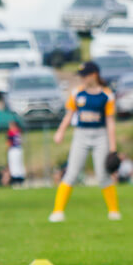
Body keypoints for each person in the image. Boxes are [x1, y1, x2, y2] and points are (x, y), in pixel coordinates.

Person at [48, 61, 121, 222]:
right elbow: (69, 115)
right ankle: (58, 211)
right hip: (81, 135)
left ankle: (114, 211)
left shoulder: (106, 95)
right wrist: (60, 132)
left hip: (100, 135)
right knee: (72, 172)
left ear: (94, 75)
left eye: (84, 75)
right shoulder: (77, 93)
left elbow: (110, 122)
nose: (81, 78)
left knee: (103, 174)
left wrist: (113, 147)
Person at [6, 121, 26, 186]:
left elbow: (9, 142)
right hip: (19, 149)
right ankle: (21, 179)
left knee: (14, 165)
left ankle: (16, 180)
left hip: (13, 149)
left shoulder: (11, 132)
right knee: (19, 164)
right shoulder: (19, 131)